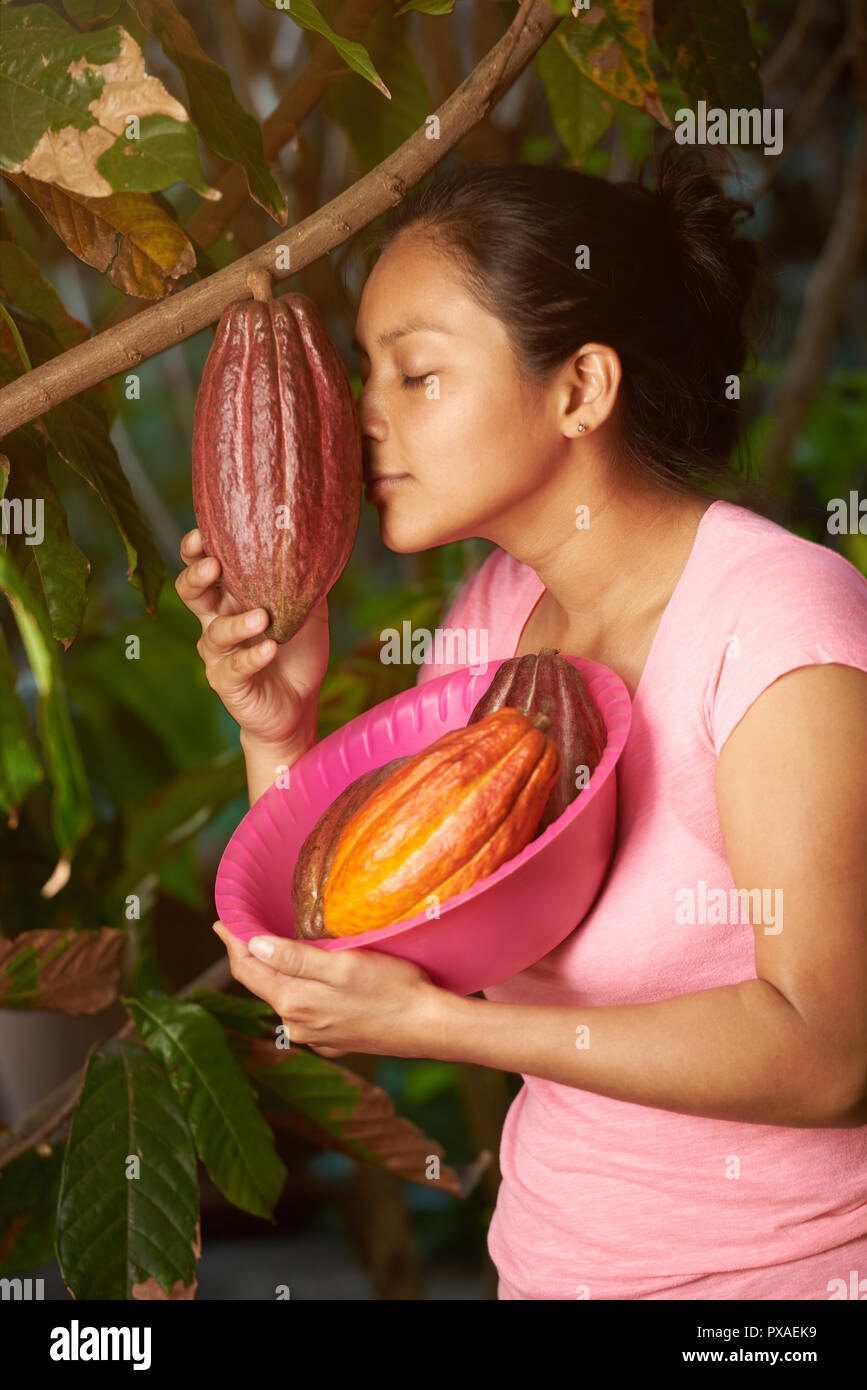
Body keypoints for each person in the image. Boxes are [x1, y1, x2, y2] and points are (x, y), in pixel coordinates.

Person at [177, 148, 867, 1301]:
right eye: (365, 374)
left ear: (581, 389)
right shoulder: (498, 620)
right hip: (547, 1270)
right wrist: (277, 724)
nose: (364, 420)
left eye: (417, 376)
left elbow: (832, 1053)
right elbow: (353, 952)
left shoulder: (777, 624)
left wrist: (458, 1033)